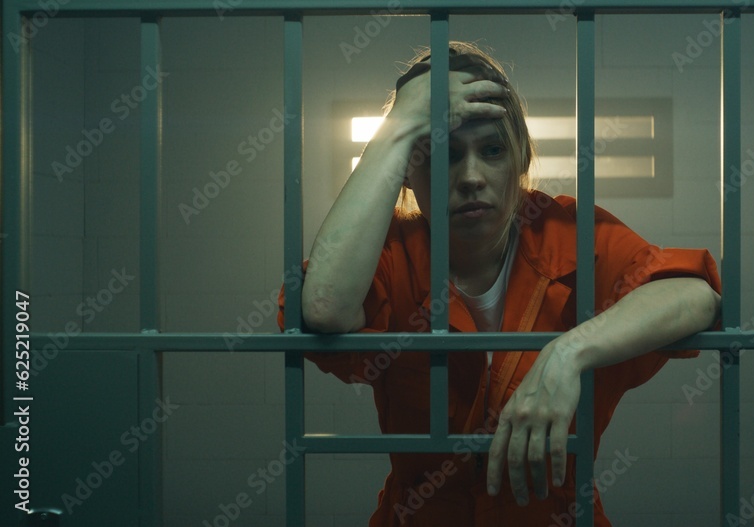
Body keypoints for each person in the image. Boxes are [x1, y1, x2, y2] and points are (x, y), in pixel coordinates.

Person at [278, 41, 721, 526]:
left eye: (492, 150)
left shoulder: (566, 232)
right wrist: (400, 123)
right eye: (443, 154)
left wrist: (568, 353)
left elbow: (694, 294)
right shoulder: (387, 253)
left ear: (521, 157)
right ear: (406, 170)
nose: (471, 176)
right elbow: (323, 307)